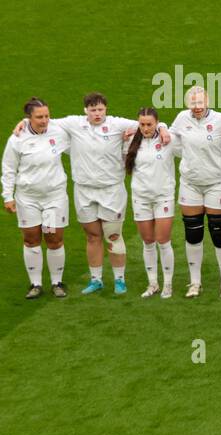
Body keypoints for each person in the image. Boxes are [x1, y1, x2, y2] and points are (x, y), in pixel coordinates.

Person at [13, 93, 166, 295]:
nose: (97, 113)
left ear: (106, 109)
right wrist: (24, 122)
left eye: (100, 109)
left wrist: (162, 127)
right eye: (93, 110)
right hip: (84, 191)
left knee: (113, 235)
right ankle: (96, 280)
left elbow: (147, 123)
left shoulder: (117, 124)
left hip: (111, 190)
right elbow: (45, 121)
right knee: (92, 236)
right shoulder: (74, 123)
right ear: (86, 110)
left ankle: (119, 280)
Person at [3, 97, 70, 298]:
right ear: (28, 118)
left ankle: (57, 282)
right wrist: (7, 195)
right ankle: (36, 284)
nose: (44, 120)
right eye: (39, 117)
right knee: (31, 238)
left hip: (54, 197)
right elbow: (8, 168)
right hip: (28, 198)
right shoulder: (17, 139)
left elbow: (85, 126)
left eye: (47, 116)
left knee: (54, 238)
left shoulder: (58, 131)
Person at [171, 86, 221, 298]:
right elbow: (172, 140)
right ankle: (194, 282)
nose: (197, 107)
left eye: (200, 103)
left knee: (219, 233)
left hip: (217, 183)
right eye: (193, 103)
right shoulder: (181, 118)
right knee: (193, 234)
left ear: (207, 102)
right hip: (190, 183)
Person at [124, 107, 177, 298]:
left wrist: (163, 128)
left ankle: (168, 284)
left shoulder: (167, 139)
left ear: (157, 123)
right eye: (142, 124)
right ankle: (153, 283)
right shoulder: (130, 140)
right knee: (148, 241)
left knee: (163, 241)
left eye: (150, 124)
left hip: (163, 196)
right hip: (141, 198)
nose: (145, 128)